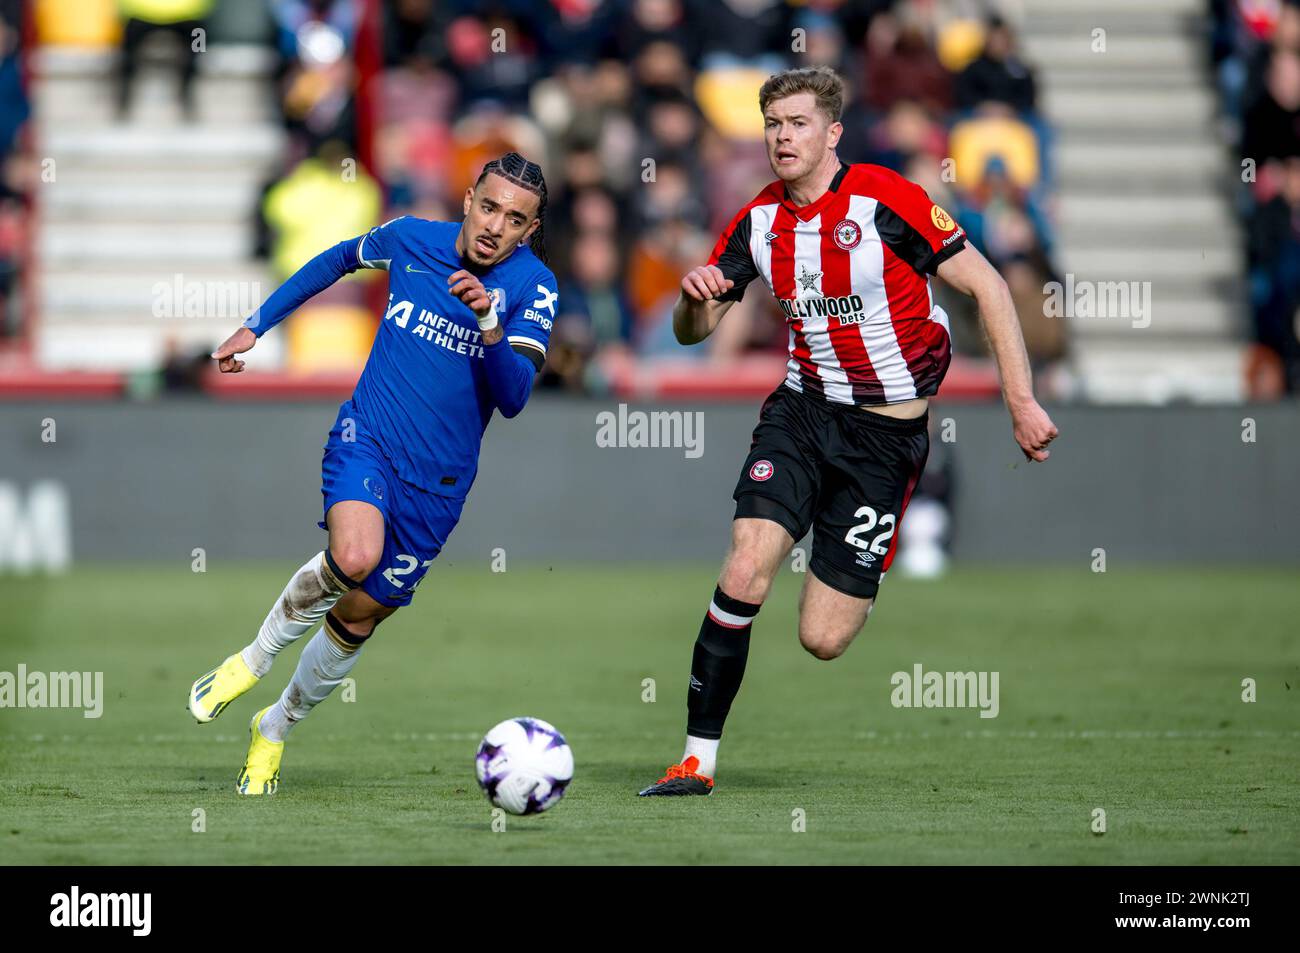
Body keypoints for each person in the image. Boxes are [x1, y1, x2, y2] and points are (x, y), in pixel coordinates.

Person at [637, 67, 1058, 797]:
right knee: (743, 569)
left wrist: (1019, 400)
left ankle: (870, 551)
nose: (782, 137)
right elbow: (691, 331)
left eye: (798, 123)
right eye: (772, 124)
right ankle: (696, 761)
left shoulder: (887, 200)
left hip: (886, 441)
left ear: (832, 133)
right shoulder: (757, 222)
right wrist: (692, 301)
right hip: (802, 413)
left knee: (823, 639)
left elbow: (987, 285)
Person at [190, 152, 558, 795]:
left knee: (358, 615)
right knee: (354, 555)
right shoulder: (412, 237)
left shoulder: (535, 286)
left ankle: (274, 727)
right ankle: (251, 660)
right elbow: (336, 259)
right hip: (369, 439)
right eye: (490, 206)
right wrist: (256, 325)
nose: (497, 225)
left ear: (529, 230)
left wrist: (489, 321)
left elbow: (514, 397)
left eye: (515, 219)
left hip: (440, 486)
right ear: (469, 197)